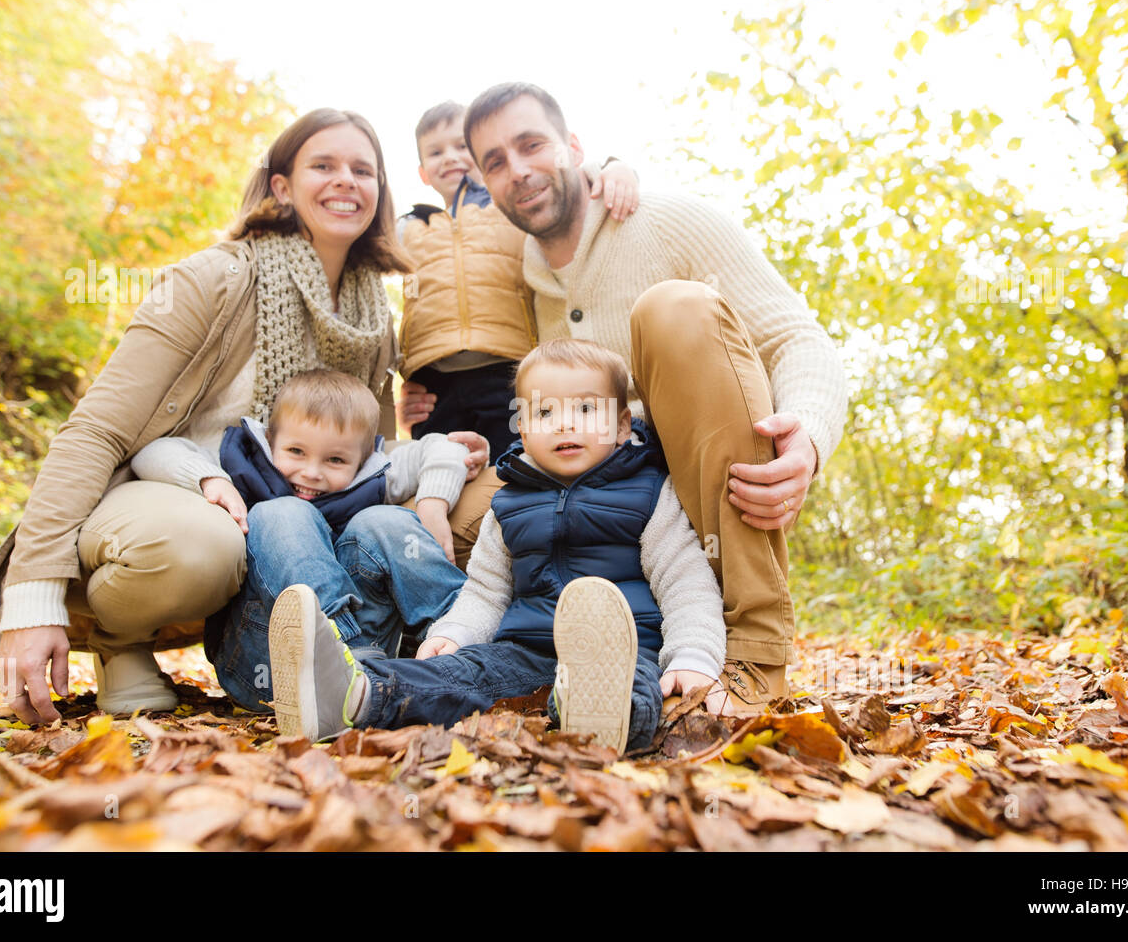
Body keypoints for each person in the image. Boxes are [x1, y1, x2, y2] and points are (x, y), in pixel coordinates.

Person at [0, 108, 495, 722]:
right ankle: (124, 645)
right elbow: (97, 429)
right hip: (180, 493)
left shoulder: (369, 315)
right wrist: (31, 596)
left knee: (487, 498)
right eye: (324, 165)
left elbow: (367, 456)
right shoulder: (213, 279)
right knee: (204, 543)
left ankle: (461, 649)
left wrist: (435, 467)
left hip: (311, 521)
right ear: (281, 185)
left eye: (364, 170)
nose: (346, 181)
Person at [401, 82, 849, 713]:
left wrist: (808, 429)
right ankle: (483, 657)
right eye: (495, 161)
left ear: (575, 148)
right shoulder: (520, 278)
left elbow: (795, 336)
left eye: (532, 145)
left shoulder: (669, 220)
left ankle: (751, 654)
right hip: (600, 495)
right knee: (439, 508)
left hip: (703, 469)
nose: (519, 170)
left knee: (674, 309)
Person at [268, 340, 729, 752]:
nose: (564, 424)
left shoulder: (648, 492)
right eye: (545, 413)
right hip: (524, 651)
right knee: (457, 674)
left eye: (586, 410)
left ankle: (595, 712)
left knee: (632, 689)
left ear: (623, 424)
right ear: (523, 428)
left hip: (627, 648)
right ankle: (351, 694)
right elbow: (487, 590)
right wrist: (454, 633)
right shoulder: (510, 502)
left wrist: (692, 655)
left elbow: (686, 583)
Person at [131, 368, 474, 711]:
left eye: (335, 459)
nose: (311, 472)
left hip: (375, 668)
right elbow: (154, 450)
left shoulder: (375, 475)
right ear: (270, 440)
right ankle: (337, 655)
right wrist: (209, 479)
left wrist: (433, 502)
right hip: (265, 661)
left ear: (363, 458)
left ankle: (460, 636)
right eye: (296, 451)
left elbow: (445, 447)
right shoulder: (243, 465)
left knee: (384, 520)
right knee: (281, 513)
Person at [397, 100, 639, 460]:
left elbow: (571, 185)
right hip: (435, 379)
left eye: (461, 147)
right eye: (436, 152)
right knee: (440, 466)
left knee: (515, 461)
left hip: (505, 366)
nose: (449, 158)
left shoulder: (507, 210)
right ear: (422, 173)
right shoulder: (409, 227)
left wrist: (617, 168)